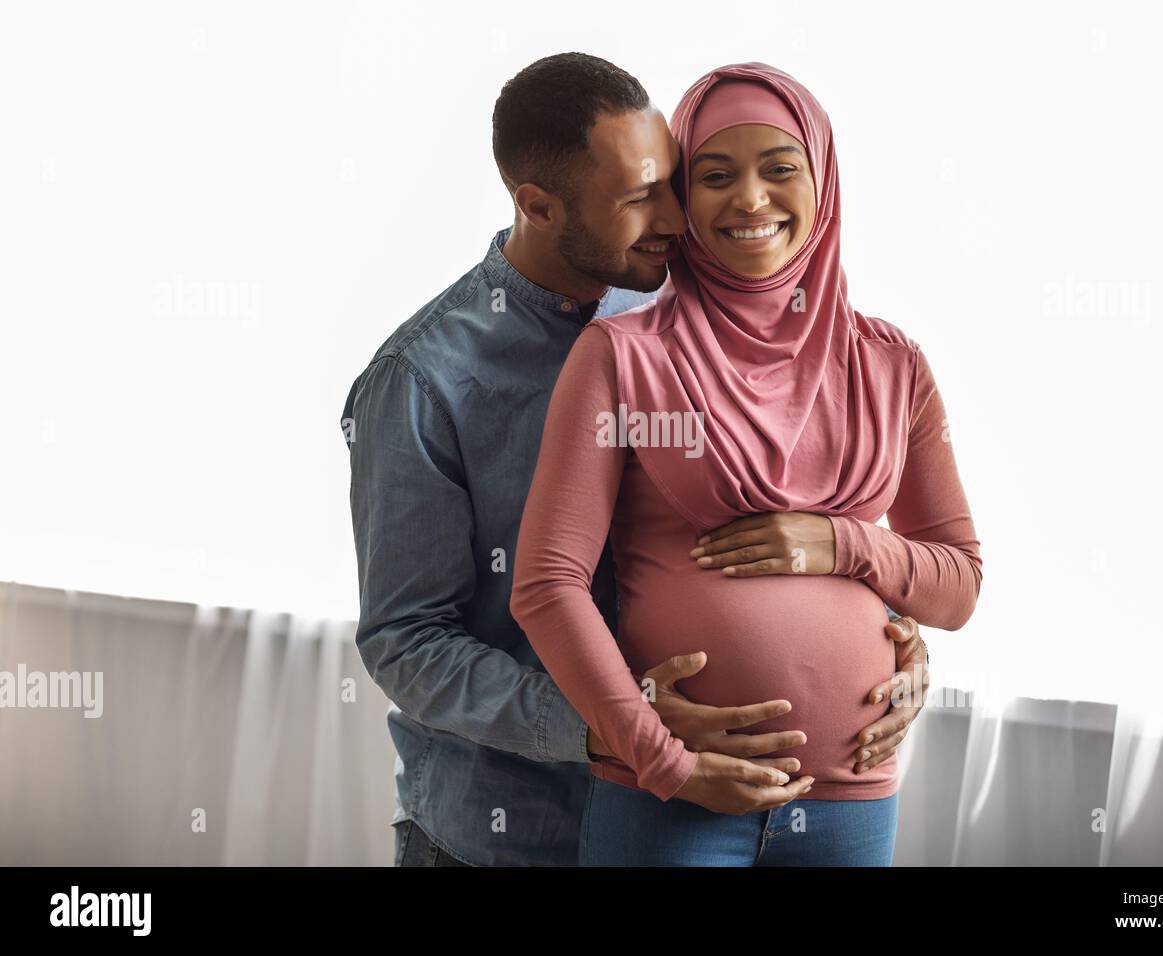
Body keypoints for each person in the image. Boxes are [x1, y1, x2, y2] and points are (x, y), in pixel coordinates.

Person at [343, 53, 931, 868]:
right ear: (539, 206)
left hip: (729, 817)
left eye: (674, 180)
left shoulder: (696, 309)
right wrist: (620, 727)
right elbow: (407, 643)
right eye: (639, 197)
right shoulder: (422, 381)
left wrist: (885, 641)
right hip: (509, 834)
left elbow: (799, 516)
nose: (677, 216)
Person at [510, 63, 981, 866]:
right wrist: (665, 760)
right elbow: (546, 585)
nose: (751, 200)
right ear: (683, 199)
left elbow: (957, 586)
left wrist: (845, 543)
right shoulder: (624, 356)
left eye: (780, 169)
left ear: (823, 180)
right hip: (672, 801)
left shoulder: (892, 363)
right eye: (716, 176)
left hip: (854, 801)